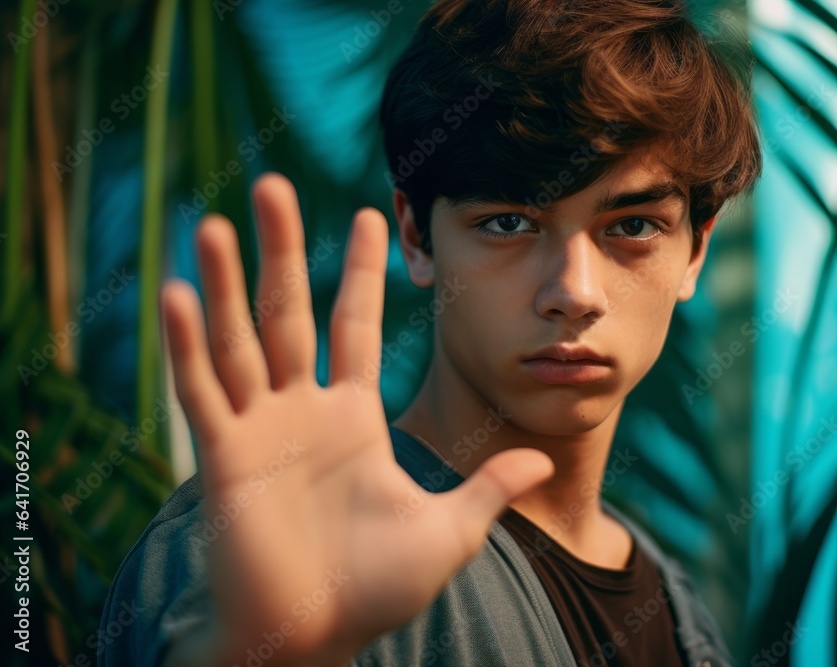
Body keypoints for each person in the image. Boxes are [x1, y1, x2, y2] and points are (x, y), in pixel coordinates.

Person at [98, 0, 761, 665]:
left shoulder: (682, 614)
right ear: (416, 237)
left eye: (634, 226)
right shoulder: (280, 533)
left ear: (695, 252)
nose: (575, 293)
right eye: (508, 222)